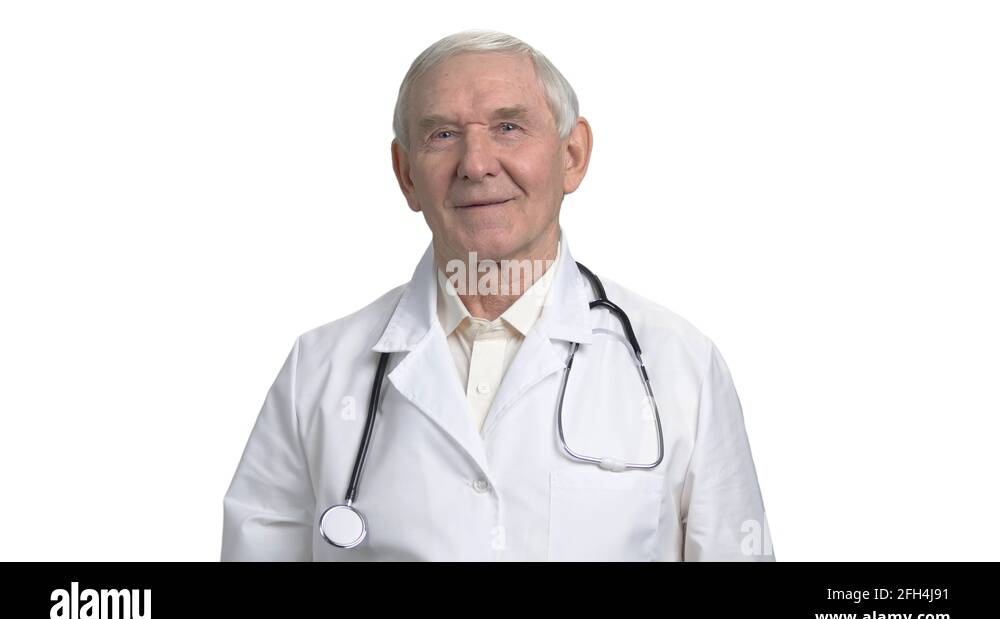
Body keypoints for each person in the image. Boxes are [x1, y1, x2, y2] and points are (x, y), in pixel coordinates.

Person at [221, 29, 775, 562]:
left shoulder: (680, 366)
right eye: (442, 134)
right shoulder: (317, 372)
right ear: (406, 174)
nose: (477, 163)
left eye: (509, 127)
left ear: (572, 156)